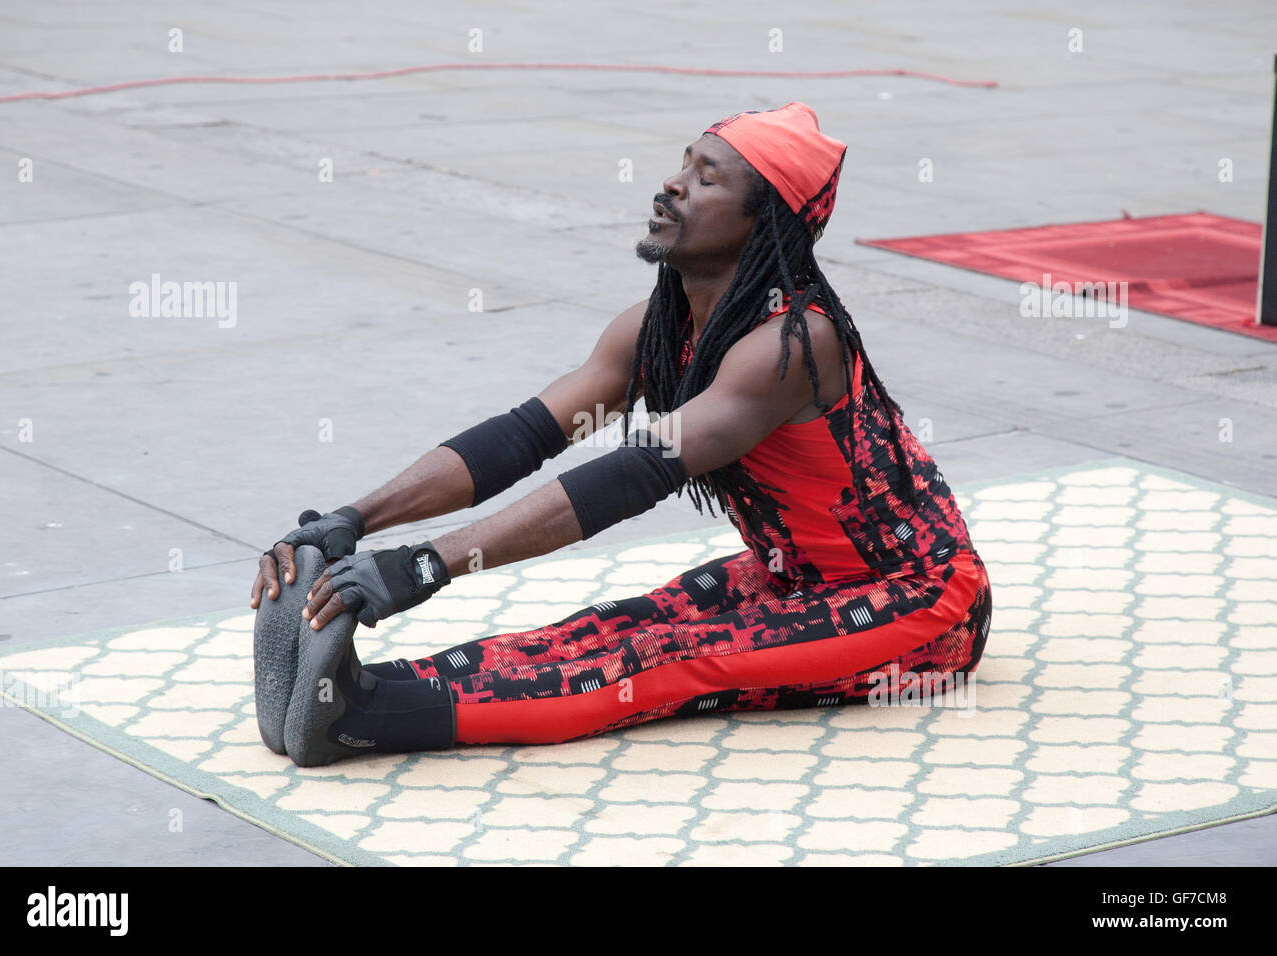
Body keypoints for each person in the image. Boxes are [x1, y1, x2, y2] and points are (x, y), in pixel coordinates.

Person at [249, 102, 993, 767]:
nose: (671, 184)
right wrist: (354, 520)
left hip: (916, 602)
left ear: (760, 223)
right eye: (681, 165)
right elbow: (522, 437)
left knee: (663, 658)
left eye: (706, 179)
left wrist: (426, 564)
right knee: (607, 627)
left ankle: (364, 719)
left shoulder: (789, 345)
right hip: (787, 573)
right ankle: (358, 685)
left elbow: (635, 474)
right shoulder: (658, 327)